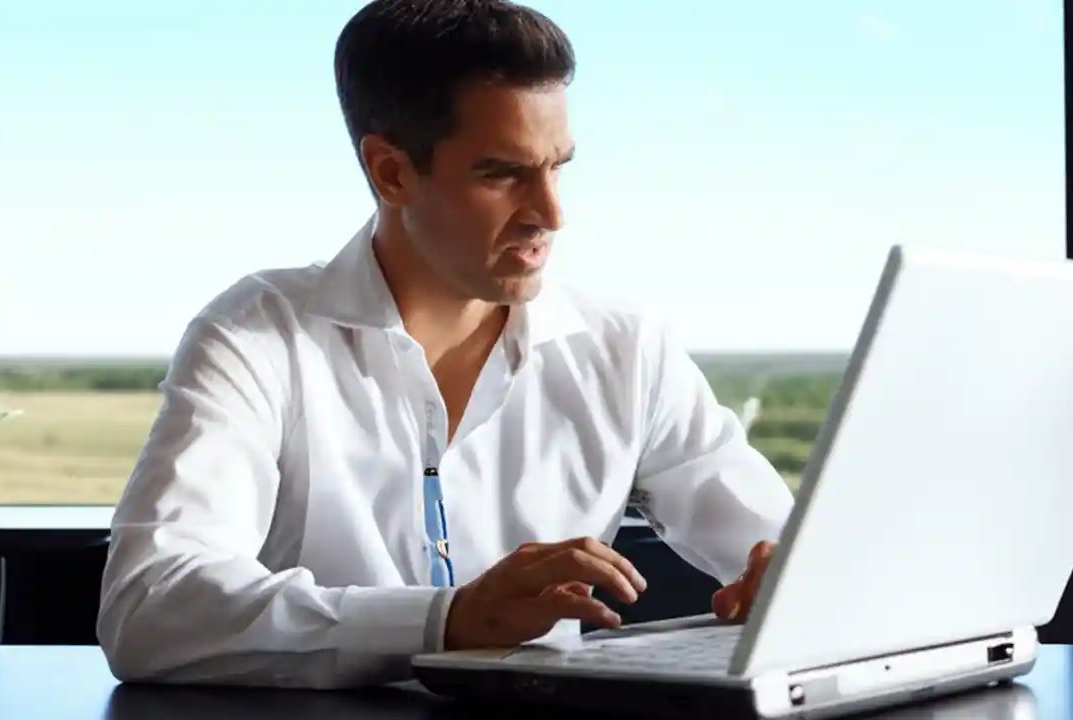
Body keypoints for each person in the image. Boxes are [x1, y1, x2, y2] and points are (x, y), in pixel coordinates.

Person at [96, 0, 794, 690]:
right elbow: (150, 606)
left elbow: (784, 548)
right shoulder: (257, 336)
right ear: (391, 172)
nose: (551, 213)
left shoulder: (626, 352)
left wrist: (793, 580)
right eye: (502, 174)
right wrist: (445, 620)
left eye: (558, 167)